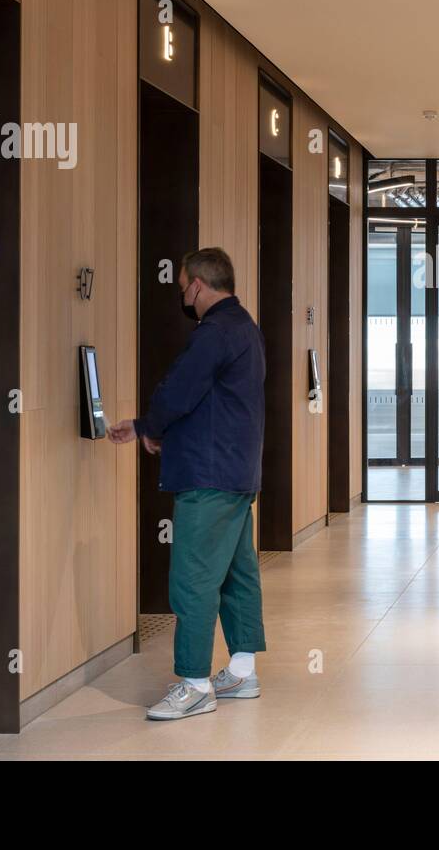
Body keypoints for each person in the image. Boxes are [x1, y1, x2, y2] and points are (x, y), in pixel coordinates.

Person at [108, 247, 267, 721]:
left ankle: (195, 683)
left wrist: (144, 426)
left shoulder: (213, 332)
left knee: (193, 578)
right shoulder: (246, 329)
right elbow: (214, 402)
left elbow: (180, 389)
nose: (184, 295)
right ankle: (241, 670)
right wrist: (158, 430)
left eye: (182, 288)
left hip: (210, 477)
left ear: (197, 285)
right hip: (237, 473)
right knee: (238, 574)